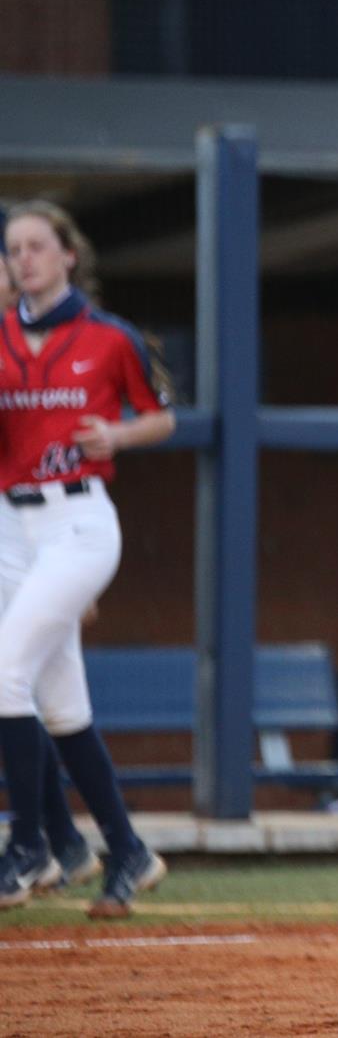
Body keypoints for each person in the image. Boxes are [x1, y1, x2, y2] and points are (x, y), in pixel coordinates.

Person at [0, 201, 175, 918]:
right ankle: (125, 849)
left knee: (5, 671)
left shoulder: (109, 336)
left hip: (80, 520)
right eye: (14, 249)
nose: (25, 259)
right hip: (14, 525)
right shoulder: (3, 333)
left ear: (69, 254)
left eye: (38, 246)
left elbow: (161, 414)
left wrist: (119, 437)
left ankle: (29, 844)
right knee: (64, 706)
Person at [0, 245, 102, 901]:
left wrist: (71, 567)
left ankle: (40, 841)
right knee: (15, 687)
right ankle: (59, 839)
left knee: (14, 683)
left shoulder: (37, 347)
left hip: (29, 524)